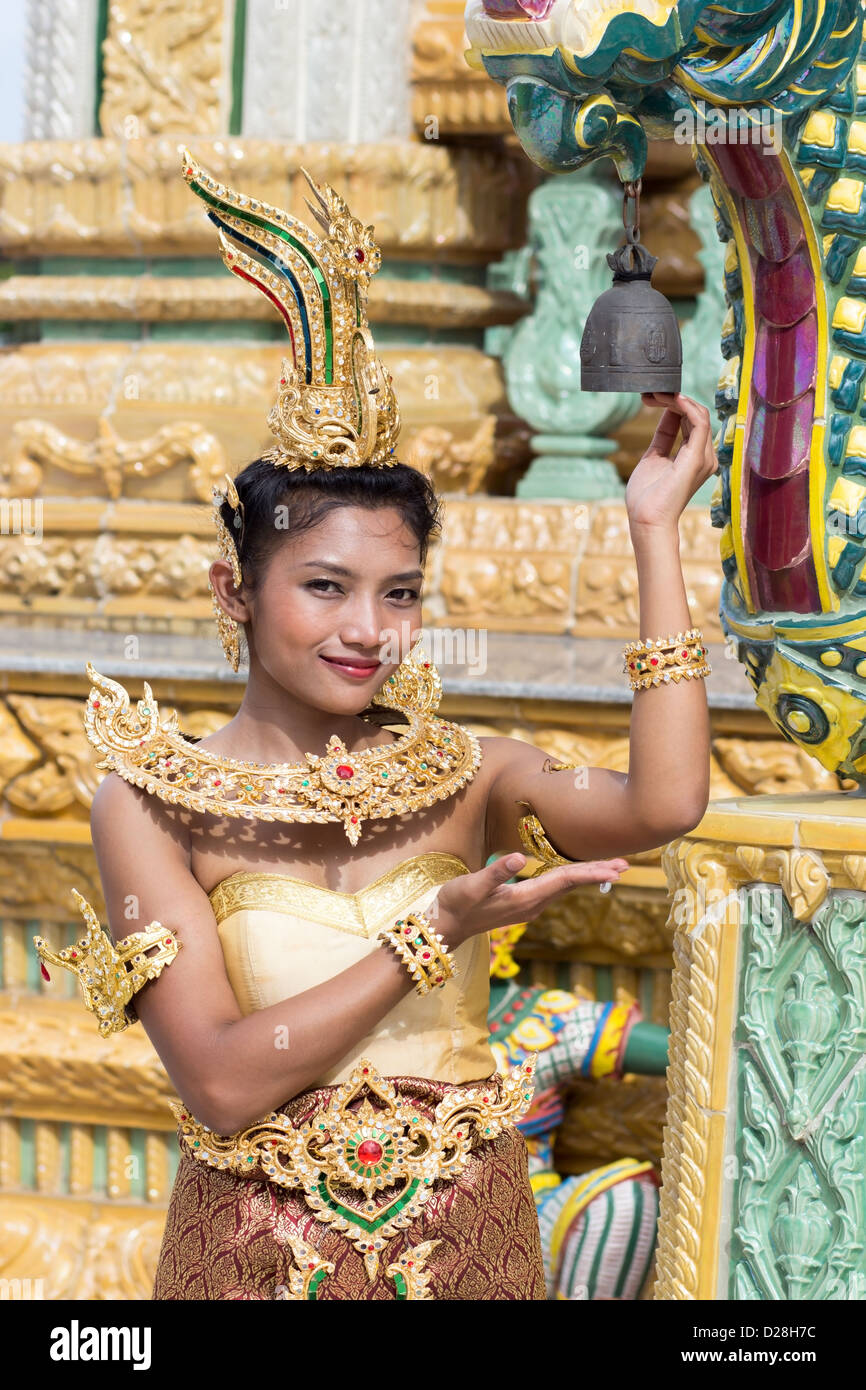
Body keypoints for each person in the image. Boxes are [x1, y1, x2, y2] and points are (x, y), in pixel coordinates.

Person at [37, 150, 717, 1302]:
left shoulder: (467, 772)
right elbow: (220, 1079)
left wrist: (652, 532)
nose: (369, 629)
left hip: (470, 1240)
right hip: (255, 1254)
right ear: (232, 591)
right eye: (324, 587)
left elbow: (664, 805)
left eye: (398, 593)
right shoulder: (152, 797)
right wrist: (430, 930)